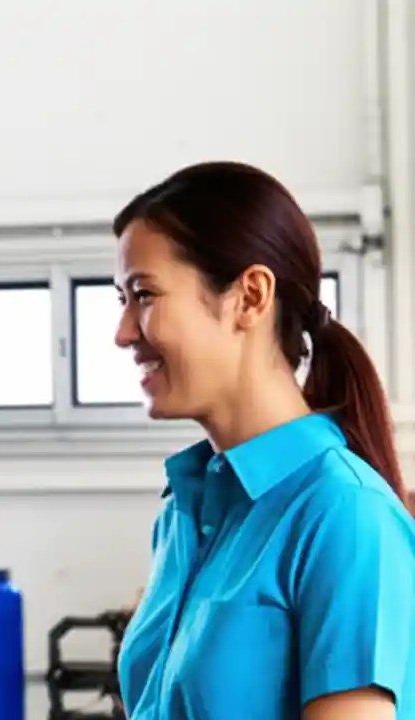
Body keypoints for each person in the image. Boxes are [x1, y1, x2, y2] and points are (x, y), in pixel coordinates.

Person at [111, 161, 415, 720]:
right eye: (122, 300)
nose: (123, 332)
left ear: (249, 296)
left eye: (144, 295)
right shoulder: (183, 516)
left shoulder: (343, 514)